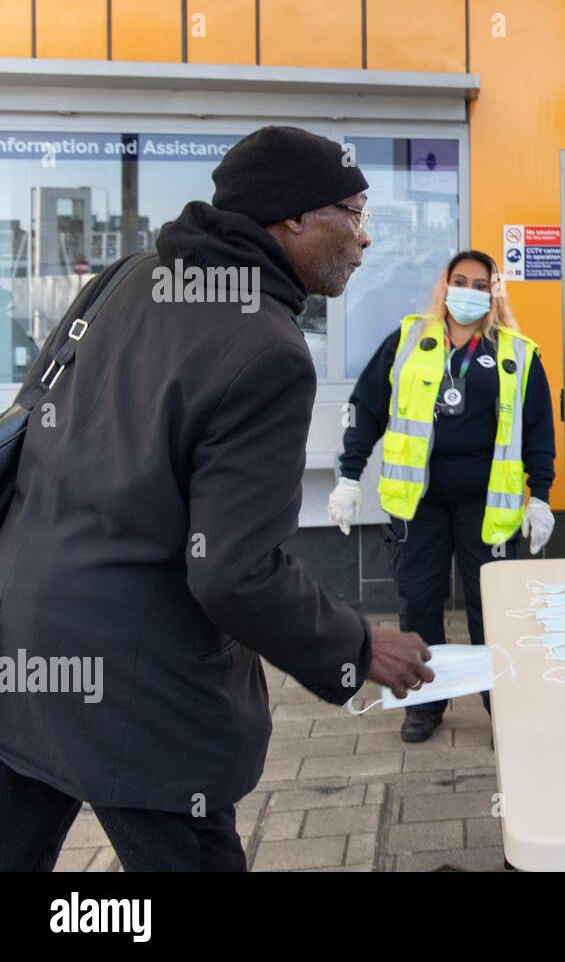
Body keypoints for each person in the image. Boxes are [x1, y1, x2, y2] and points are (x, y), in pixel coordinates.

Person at [0, 126, 434, 872]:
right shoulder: (266, 350)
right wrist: (358, 646)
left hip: (23, 642)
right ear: (293, 216)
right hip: (139, 681)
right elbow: (234, 570)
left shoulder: (125, 277)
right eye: (355, 215)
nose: (365, 241)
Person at [328, 250, 556, 743]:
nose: (469, 292)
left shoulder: (518, 353)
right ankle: (424, 704)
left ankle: (503, 706)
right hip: (419, 505)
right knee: (421, 605)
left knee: (491, 610)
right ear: (444, 285)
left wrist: (541, 495)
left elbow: (539, 428)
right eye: (460, 281)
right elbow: (365, 408)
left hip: (486, 507)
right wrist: (348, 477)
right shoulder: (410, 340)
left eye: (480, 284)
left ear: (493, 292)